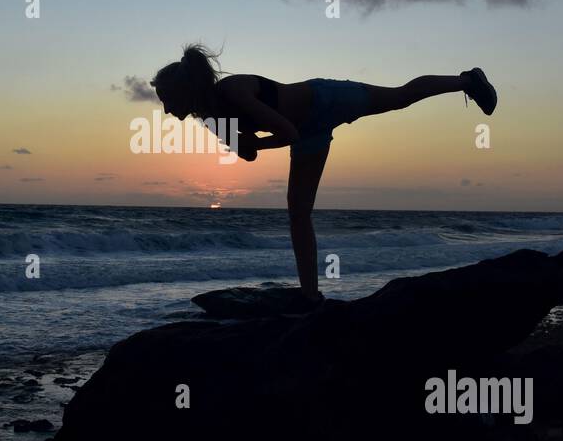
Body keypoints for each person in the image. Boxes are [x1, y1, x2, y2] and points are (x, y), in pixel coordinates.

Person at [150, 44, 497, 304]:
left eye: (166, 98)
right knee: (298, 213)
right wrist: (242, 147)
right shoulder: (211, 118)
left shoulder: (233, 91)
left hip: (325, 99)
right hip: (309, 132)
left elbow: (286, 134)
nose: (165, 108)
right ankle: (310, 296)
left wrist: (252, 146)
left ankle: (466, 81)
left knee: (399, 97)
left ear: (183, 90)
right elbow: (252, 153)